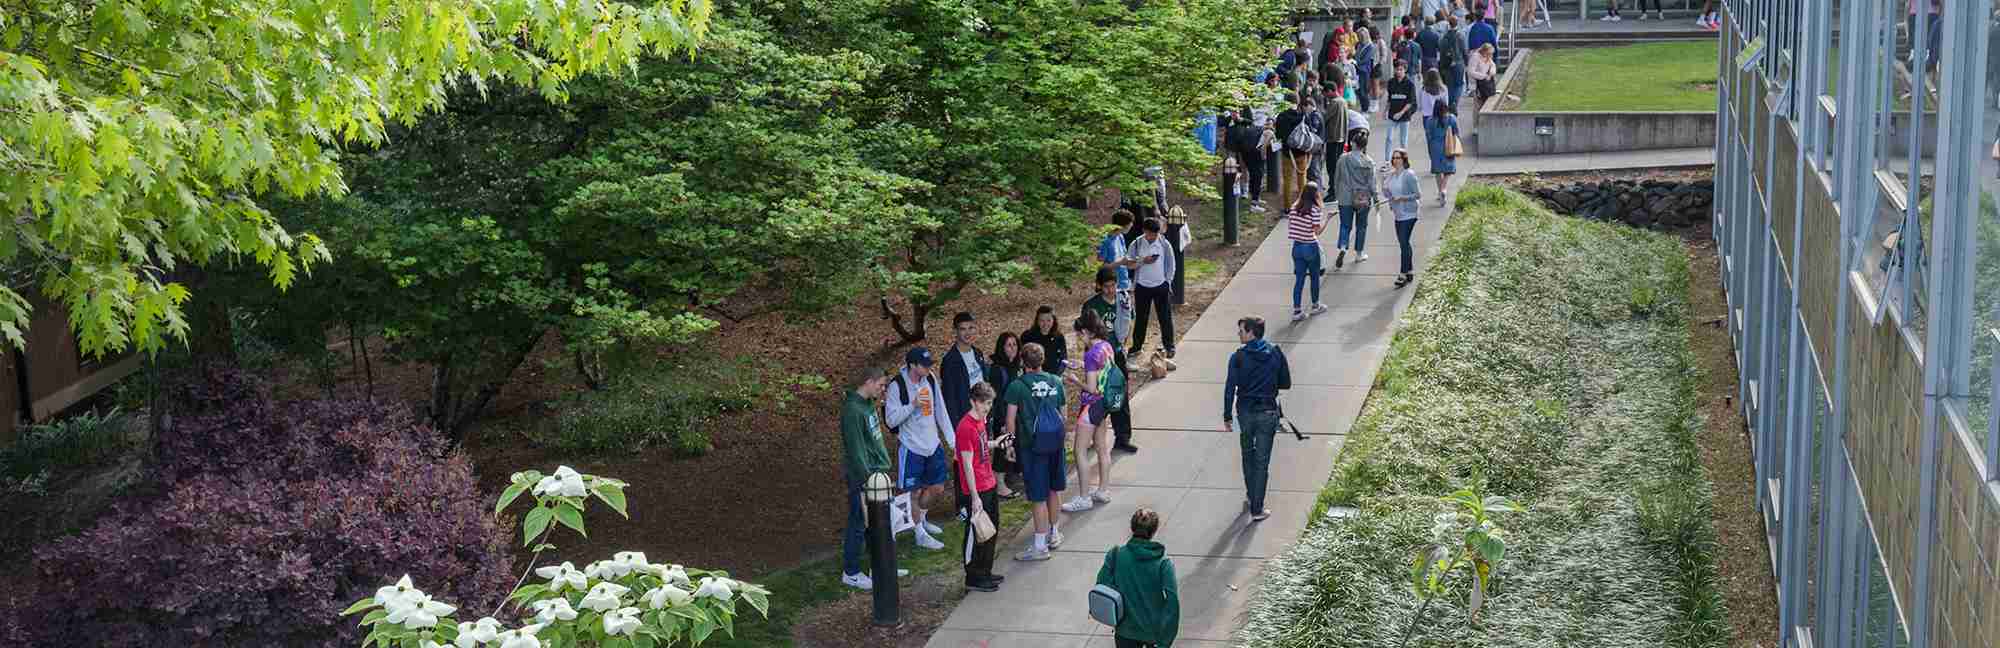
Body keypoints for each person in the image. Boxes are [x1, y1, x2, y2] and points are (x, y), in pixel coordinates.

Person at [885, 347, 957, 551]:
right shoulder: (897, 386)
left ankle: (922, 519)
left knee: (937, 487)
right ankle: (919, 534)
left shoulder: (930, 379)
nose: (928, 368)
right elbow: (891, 420)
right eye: (924, 365)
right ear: (912, 365)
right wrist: (913, 405)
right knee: (913, 492)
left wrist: (952, 441)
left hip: (932, 444)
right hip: (911, 446)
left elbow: (940, 410)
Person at [1221, 317, 1291, 522]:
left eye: (1241, 330)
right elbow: (1286, 382)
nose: (1239, 334)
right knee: (1262, 462)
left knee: (1247, 455)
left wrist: (1227, 415)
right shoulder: (1275, 352)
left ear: (1251, 332)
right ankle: (1257, 508)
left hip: (1245, 413)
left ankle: (1252, 495)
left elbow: (1229, 388)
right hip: (1268, 412)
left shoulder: (1237, 357)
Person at [1007, 342, 1068, 562]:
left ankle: (1040, 546)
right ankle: (1054, 532)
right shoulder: (1056, 381)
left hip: (1032, 448)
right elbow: (1064, 415)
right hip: (1056, 445)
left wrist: (1010, 445)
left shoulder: (1017, 386)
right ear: (1042, 360)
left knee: (1038, 496)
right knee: (1054, 489)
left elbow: (1010, 420)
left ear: (1023, 362)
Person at [839, 367, 895, 590]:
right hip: (863, 477)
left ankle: (878, 566)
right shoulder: (852, 410)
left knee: (877, 523)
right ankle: (850, 572)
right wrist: (867, 480)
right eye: (881, 385)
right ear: (869, 382)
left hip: (877, 473)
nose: (883, 390)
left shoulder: (868, 404)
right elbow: (856, 450)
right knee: (859, 523)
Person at [1094, 508, 1181, 648]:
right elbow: (1172, 602)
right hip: (1153, 633)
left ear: (1132, 527)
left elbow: (1102, 584)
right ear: (1154, 531)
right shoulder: (1163, 563)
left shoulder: (1116, 554)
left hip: (1124, 632)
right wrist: (1165, 640)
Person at [1060, 312, 1118, 513]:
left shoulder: (1091, 353)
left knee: (1080, 451)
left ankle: (1084, 497)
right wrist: (1083, 366)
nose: (1079, 338)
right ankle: (1102, 490)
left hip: (1091, 406)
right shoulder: (1106, 346)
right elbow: (1103, 369)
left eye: (1079, 334)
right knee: (1102, 447)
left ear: (1085, 331)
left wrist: (1075, 380)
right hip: (1104, 405)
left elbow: (1092, 388)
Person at [1083, 268, 1141, 454]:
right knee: (1095, 398)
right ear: (1099, 286)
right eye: (1106, 286)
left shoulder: (1123, 300)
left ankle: (1122, 438)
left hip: (1117, 355)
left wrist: (1124, 344)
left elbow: (1129, 321)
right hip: (1098, 359)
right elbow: (1084, 334)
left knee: (1120, 396)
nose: (1110, 290)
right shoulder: (1091, 306)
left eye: (1113, 285)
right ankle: (1090, 437)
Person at [955, 382, 1004, 592]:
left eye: (989, 403)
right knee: (976, 533)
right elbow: (966, 464)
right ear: (973, 401)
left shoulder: (980, 422)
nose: (987, 407)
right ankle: (973, 576)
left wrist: (997, 443)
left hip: (988, 483)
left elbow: (981, 447)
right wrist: (974, 497)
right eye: (983, 403)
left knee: (990, 529)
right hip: (976, 489)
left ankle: (985, 571)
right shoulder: (965, 427)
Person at [939, 311, 987, 514]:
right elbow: (949, 398)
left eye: (971, 328)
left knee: (980, 458)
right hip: (963, 419)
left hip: (981, 416)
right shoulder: (950, 361)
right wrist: (954, 427)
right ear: (955, 331)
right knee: (963, 462)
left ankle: (979, 497)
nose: (967, 333)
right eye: (962, 329)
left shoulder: (977, 353)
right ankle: (963, 505)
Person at [1128, 218, 1179, 359]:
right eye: (1151, 234)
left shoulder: (1164, 243)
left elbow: (1171, 264)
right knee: (1141, 319)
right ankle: (1136, 347)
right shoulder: (1136, 244)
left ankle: (1169, 346)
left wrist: (1168, 282)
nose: (1154, 236)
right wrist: (1143, 261)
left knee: (1165, 318)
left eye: (1156, 234)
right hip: (1142, 286)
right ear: (1144, 231)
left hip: (1161, 286)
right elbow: (1129, 264)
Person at [1331, 129, 1380, 271]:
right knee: (1361, 226)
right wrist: (1376, 198)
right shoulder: (1369, 162)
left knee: (1345, 225)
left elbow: (1337, 178)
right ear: (1364, 146)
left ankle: (1343, 246)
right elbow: (1372, 183)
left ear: (1352, 143)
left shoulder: (1343, 159)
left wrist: (1337, 193)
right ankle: (1359, 253)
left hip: (1345, 197)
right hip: (1362, 198)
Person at [986, 332, 1024, 499]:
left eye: (1015, 344)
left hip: (1016, 415)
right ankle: (999, 485)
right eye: (1009, 345)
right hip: (1002, 416)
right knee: (1002, 448)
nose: (1013, 348)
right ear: (1002, 348)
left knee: (1014, 445)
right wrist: (1002, 422)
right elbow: (997, 398)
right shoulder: (997, 369)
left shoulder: (1017, 366)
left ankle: (1012, 476)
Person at [1286, 181, 1328, 323]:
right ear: (1316, 194)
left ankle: (1297, 311)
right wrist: (1327, 219)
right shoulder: (1315, 210)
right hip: (1310, 246)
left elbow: (1292, 226)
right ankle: (1315, 305)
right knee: (1314, 277)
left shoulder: (1294, 208)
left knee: (1299, 280)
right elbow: (1317, 231)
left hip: (1297, 247)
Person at [1384, 148, 1424, 288]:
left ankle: (1402, 274)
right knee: (1404, 243)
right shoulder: (1391, 175)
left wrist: (1402, 198)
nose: (1395, 160)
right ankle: (1410, 270)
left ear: (1404, 160)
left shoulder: (1409, 175)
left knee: (1403, 242)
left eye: (1398, 158)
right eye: (1394, 158)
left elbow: (1418, 194)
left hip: (1409, 213)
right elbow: (1387, 191)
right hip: (1398, 213)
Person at [1100, 210, 1141, 341]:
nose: (1131, 226)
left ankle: (1123, 346)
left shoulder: (1121, 238)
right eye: (1130, 224)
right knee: (1113, 320)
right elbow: (1101, 266)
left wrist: (1134, 262)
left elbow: (1124, 260)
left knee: (1128, 317)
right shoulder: (1106, 241)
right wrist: (1121, 262)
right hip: (1111, 286)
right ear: (1123, 225)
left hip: (1124, 284)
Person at [1274, 94, 1311, 211]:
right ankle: (1302, 205)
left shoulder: (1281, 117)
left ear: (1286, 102)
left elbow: (1278, 135)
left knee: (1287, 181)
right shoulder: (1303, 116)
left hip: (1287, 153)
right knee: (1302, 180)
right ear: (1298, 102)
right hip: (1301, 153)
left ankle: (1287, 207)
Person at [1228, 110, 1268, 213]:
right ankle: (1253, 203)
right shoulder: (1232, 126)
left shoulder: (1248, 124)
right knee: (1256, 175)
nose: (1235, 114)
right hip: (1247, 152)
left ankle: (1255, 198)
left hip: (1248, 151)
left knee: (1255, 175)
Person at [1423, 98, 1460, 207]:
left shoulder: (1430, 120)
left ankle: (1440, 192)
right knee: (1448, 170)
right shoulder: (1451, 118)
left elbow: (1428, 136)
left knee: (1438, 171)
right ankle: (1444, 188)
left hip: (1435, 147)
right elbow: (1456, 132)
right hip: (1448, 146)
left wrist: (1430, 150)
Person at [1021, 305, 1069, 375]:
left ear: (1053, 320)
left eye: (1048, 320)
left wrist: (1057, 375)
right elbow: (1021, 358)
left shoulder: (1059, 337)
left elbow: (1064, 358)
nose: (1045, 324)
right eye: (1042, 320)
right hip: (1032, 375)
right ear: (1037, 321)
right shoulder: (1027, 336)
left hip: (1052, 376)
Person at [1385, 60, 1417, 162]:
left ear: (1405, 70)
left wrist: (1401, 113)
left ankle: (1404, 161)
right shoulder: (1391, 82)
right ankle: (1387, 161)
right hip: (1392, 114)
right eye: (1397, 69)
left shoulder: (1410, 84)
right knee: (1389, 138)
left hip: (1404, 116)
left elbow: (1410, 102)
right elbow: (1389, 98)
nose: (1398, 71)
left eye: (1401, 69)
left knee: (1403, 140)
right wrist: (1385, 111)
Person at [1440, 16, 1469, 113]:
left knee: (1449, 85)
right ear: (1457, 23)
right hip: (1458, 63)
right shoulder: (1460, 35)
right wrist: (1467, 63)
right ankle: (1454, 103)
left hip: (1447, 64)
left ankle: (1450, 102)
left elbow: (1442, 51)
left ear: (1448, 24)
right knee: (1459, 84)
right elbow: (1464, 50)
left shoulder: (1444, 36)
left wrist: (1442, 65)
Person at [1354, 28, 1376, 114]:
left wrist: (1356, 62)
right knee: (1359, 90)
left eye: (1361, 36)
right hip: (1357, 69)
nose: (1359, 38)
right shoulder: (1359, 45)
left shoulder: (1370, 46)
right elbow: (1356, 54)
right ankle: (1363, 107)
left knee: (1364, 90)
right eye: (1359, 36)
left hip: (1364, 71)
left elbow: (1365, 59)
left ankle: (1366, 109)